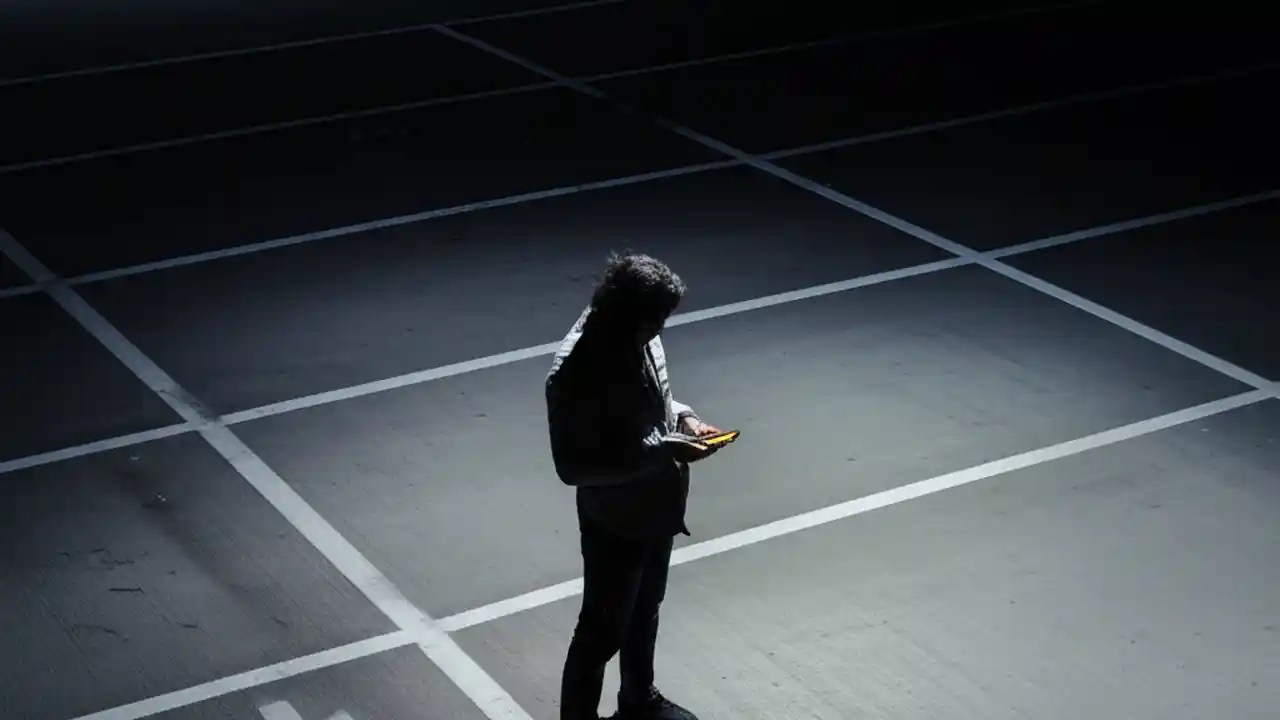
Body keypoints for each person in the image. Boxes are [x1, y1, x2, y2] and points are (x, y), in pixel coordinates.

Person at [546, 252, 726, 720]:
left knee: (646, 608)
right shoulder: (575, 373)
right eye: (655, 321)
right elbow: (574, 467)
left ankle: (637, 700)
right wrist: (662, 452)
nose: (660, 331)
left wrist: (685, 417)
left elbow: (657, 396)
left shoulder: (636, 333)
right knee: (600, 633)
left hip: (657, 505)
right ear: (627, 312)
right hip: (616, 520)